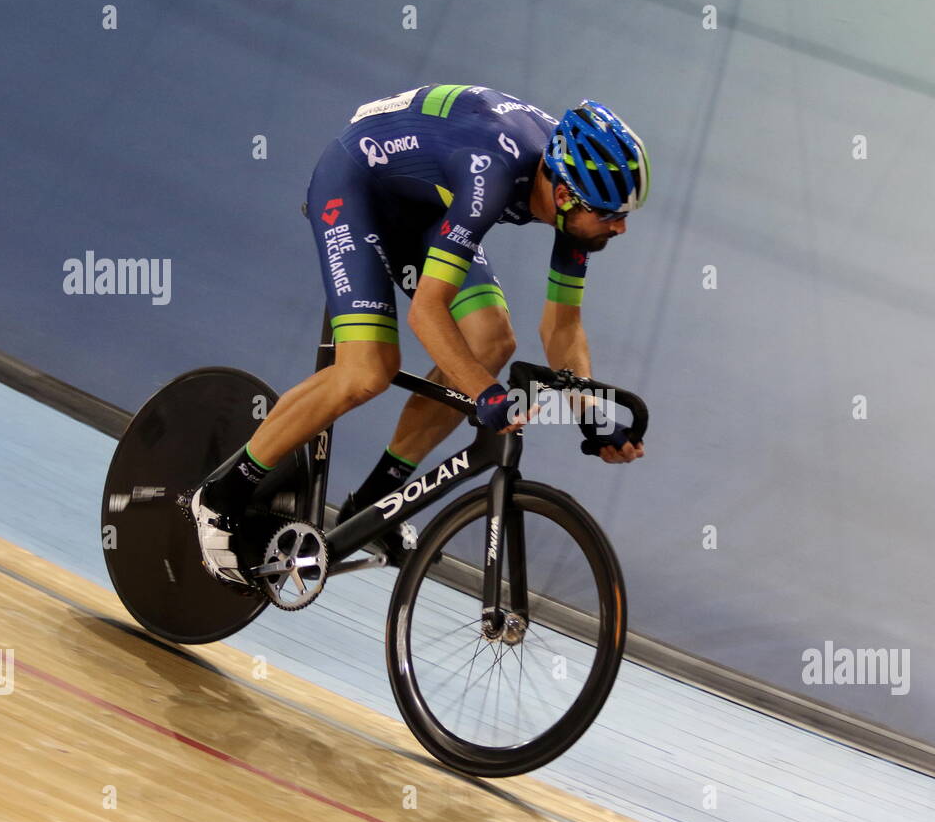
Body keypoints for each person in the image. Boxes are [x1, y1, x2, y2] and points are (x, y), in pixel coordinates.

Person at [191, 84, 649, 585]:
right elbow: (427, 313)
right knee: (367, 372)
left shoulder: (571, 200)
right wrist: (484, 395)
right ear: (564, 196)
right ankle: (219, 498)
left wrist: (591, 413)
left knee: (492, 343)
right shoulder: (493, 174)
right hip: (356, 184)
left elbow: (562, 325)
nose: (620, 228)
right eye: (611, 216)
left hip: (427, 200)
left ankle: (369, 505)